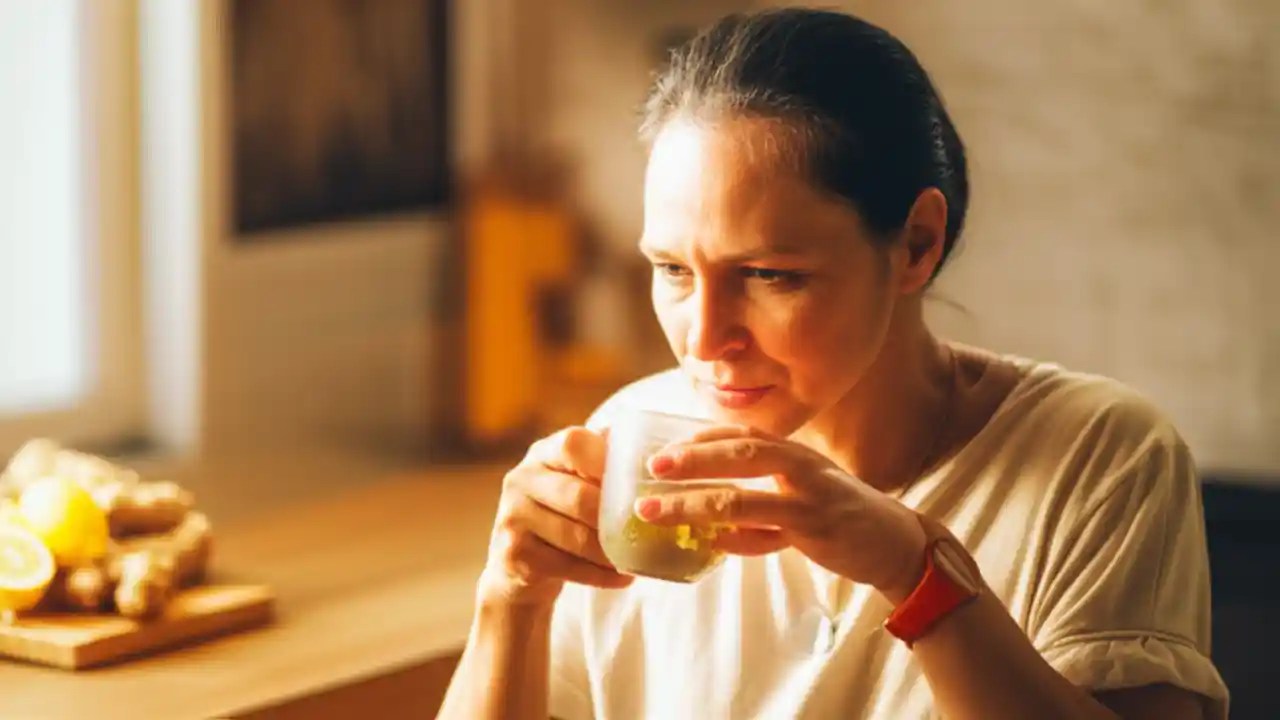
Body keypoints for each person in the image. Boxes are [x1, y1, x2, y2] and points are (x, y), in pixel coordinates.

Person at [439, 8, 1229, 719]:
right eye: (674, 270)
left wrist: (919, 575)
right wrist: (509, 603)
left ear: (916, 244)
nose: (705, 338)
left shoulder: (1103, 458)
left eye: (769, 275)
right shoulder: (631, 455)